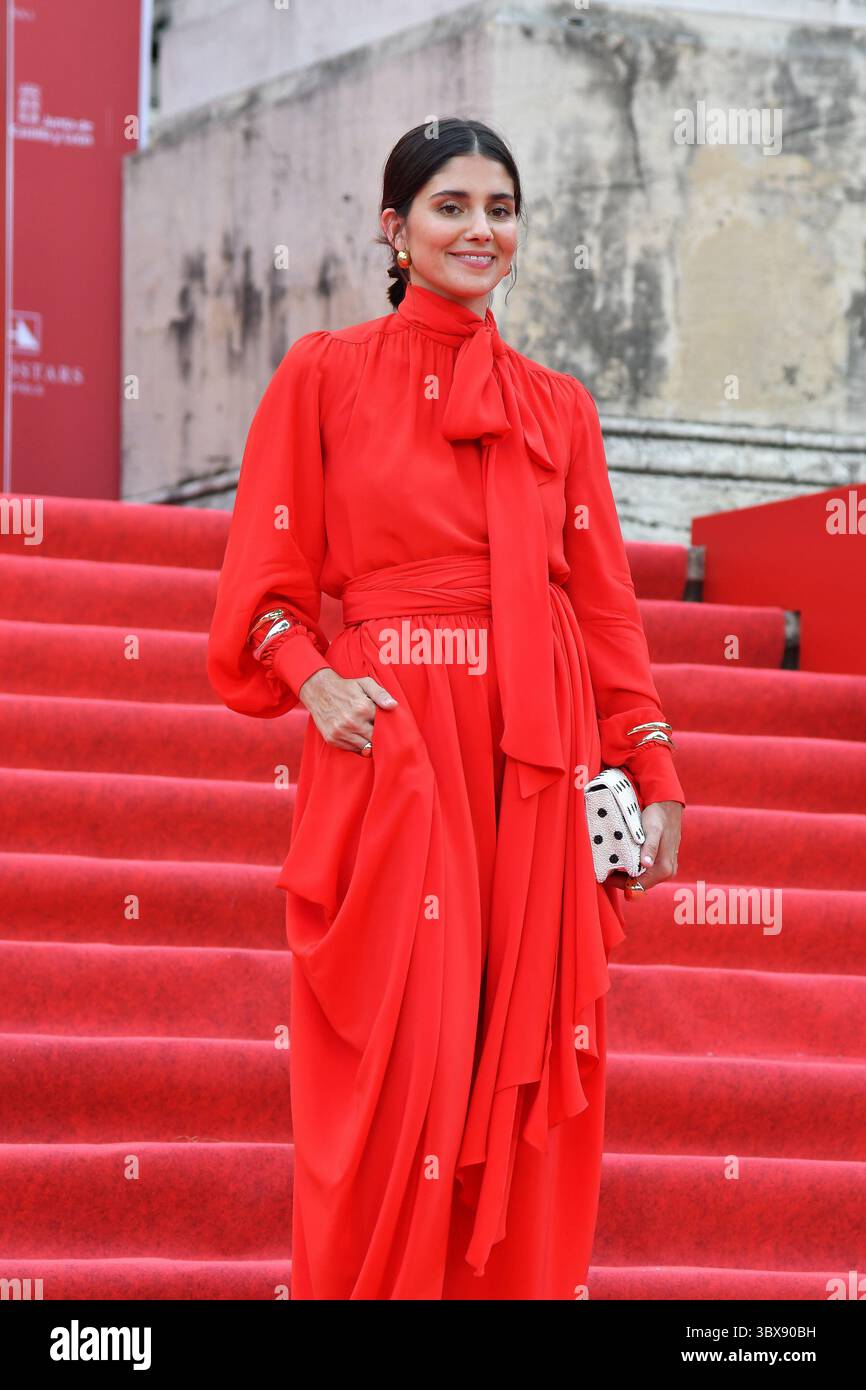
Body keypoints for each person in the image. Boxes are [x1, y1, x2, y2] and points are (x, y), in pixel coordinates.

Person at [207, 117, 685, 1300]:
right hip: (394, 746)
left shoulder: (556, 407)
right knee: (394, 1064)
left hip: (532, 756)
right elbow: (264, 594)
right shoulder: (323, 373)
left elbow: (606, 604)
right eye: (450, 206)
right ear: (395, 230)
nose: (481, 229)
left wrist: (652, 760)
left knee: (520, 1061)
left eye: (501, 209)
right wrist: (315, 681)